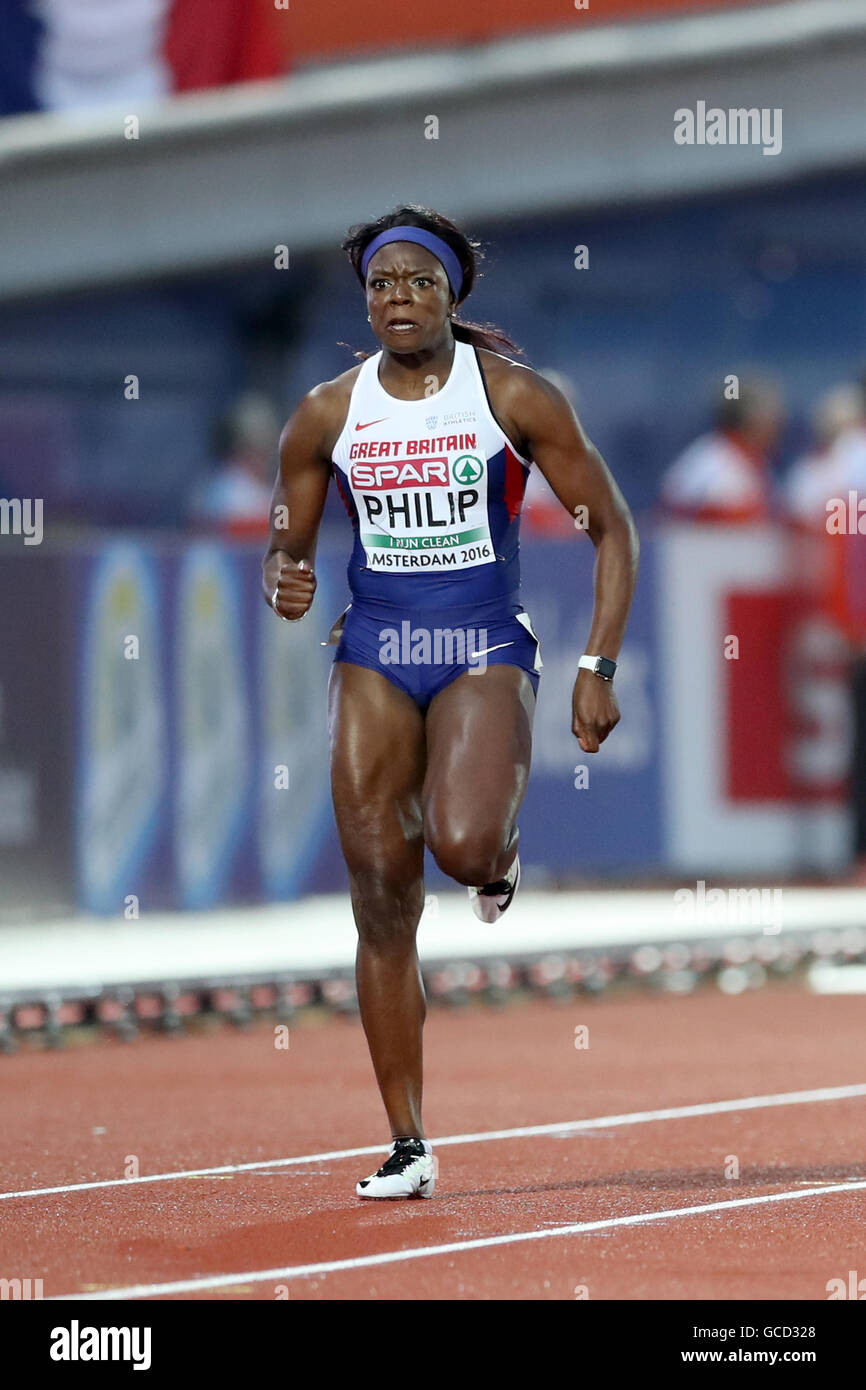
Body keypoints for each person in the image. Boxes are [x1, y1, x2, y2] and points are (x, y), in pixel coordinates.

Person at [261, 206, 639, 1199]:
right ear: (365, 299)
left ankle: (493, 857)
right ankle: (406, 1139)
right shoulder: (326, 412)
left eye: (416, 282)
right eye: (381, 284)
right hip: (377, 645)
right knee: (380, 899)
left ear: (449, 295)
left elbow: (612, 533)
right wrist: (284, 575)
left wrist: (596, 664)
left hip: (476, 639)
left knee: (462, 848)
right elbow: (287, 546)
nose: (397, 298)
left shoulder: (510, 396)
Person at [659, 376, 784, 522]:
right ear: (752, 421)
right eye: (771, 417)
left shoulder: (749, 462)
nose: (779, 425)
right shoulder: (717, 466)